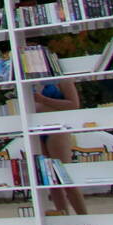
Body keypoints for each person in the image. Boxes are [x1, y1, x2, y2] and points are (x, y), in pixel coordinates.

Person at [33, 79, 86, 215]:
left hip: (57, 128)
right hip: (37, 128)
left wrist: (43, 99)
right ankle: (63, 215)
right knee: (51, 178)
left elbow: (74, 104)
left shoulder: (62, 80)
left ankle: (84, 216)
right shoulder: (30, 80)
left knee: (64, 175)